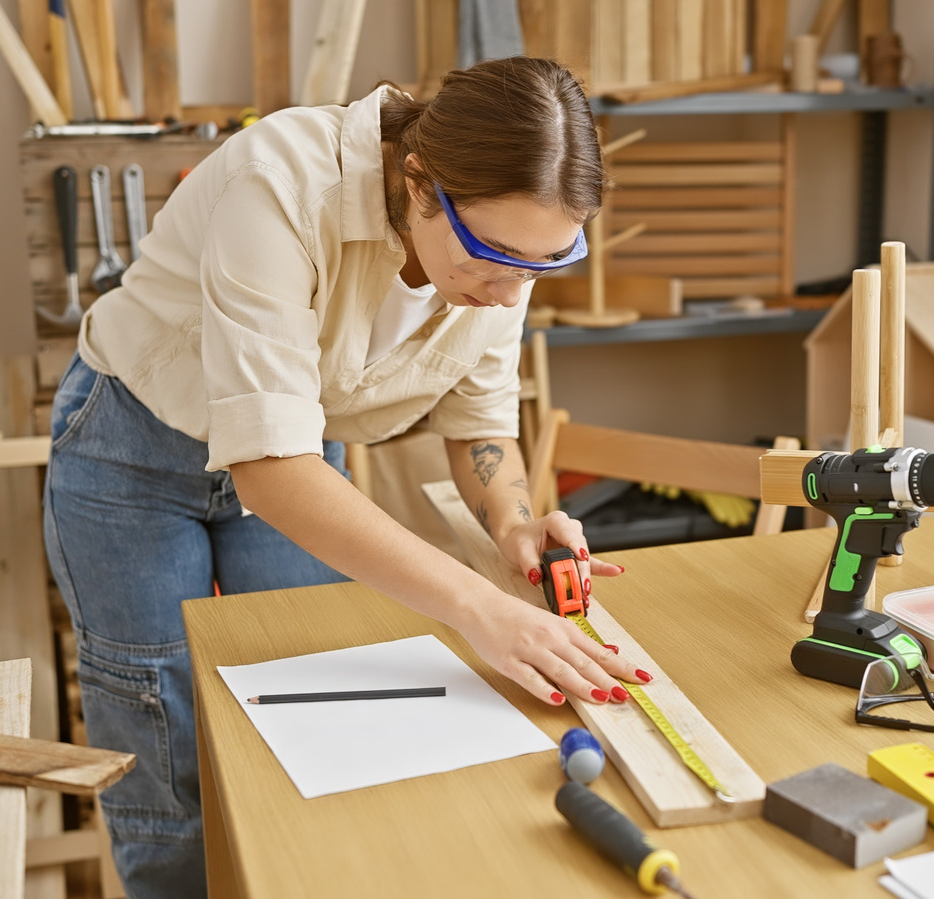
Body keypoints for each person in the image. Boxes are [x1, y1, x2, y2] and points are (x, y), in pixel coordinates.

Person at [42, 57, 648, 899]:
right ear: (418, 181)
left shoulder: (506, 253)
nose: (513, 293)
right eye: (495, 257)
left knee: (320, 697)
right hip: (135, 445)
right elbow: (273, 474)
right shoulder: (282, 183)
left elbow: (481, 422)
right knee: (160, 722)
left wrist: (511, 521)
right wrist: (481, 608)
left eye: (544, 264)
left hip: (292, 450)